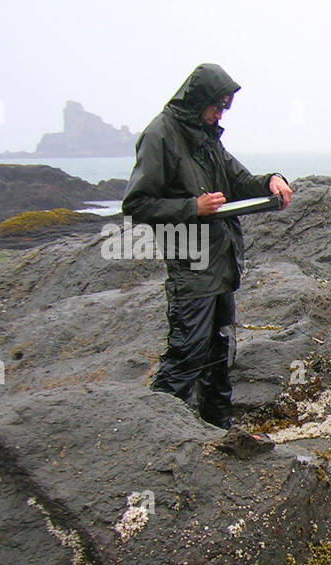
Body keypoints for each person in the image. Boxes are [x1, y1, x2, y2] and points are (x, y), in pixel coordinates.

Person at [124, 63, 291, 430]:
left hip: (221, 265)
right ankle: (158, 436)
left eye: (225, 107)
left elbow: (239, 180)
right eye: (217, 106)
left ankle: (219, 432)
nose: (220, 113)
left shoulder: (206, 135)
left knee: (219, 354)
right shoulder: (161, 136)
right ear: (198, 99)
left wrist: (272, 181)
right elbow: (136, 205)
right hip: (191, 266)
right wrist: (192, 208)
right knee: (186, 355)